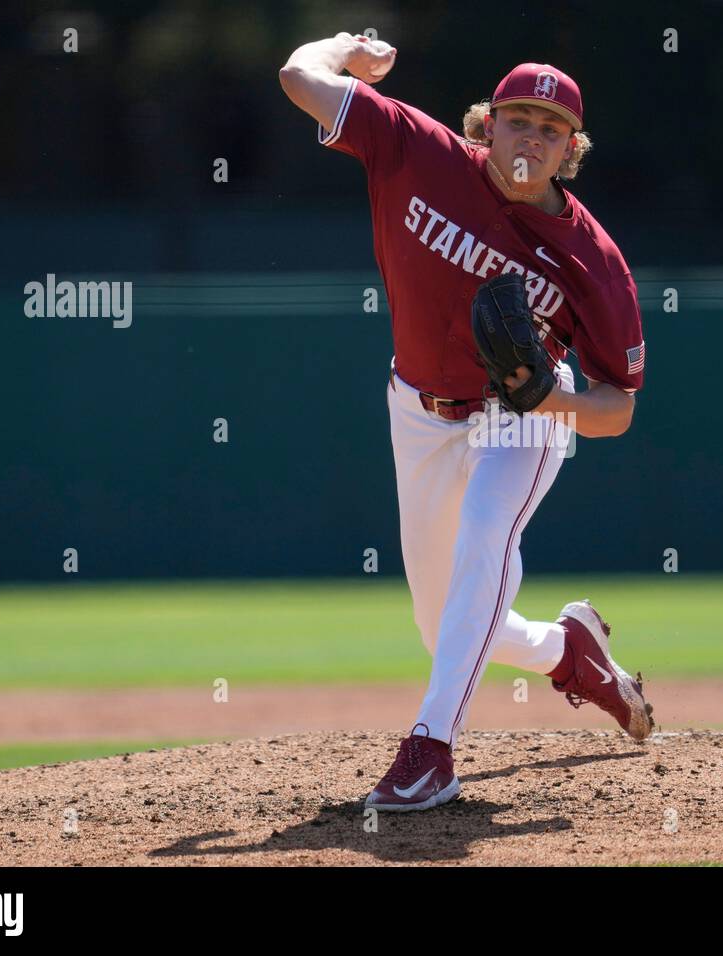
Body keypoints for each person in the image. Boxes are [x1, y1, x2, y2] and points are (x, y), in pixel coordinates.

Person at [279, 32, 653, 812]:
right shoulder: (416, 149)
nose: (532, 137)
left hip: (518, 416)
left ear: (571, 152)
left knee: (489, 531)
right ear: (486, 125)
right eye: (519, 119)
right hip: (416, 412)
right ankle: (569, 653)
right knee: (442, 622)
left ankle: (430, 751)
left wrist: (555, 405)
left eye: (552, 130)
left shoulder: (594, 263)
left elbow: (617, 410)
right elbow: (297, 76)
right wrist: (347, 47)